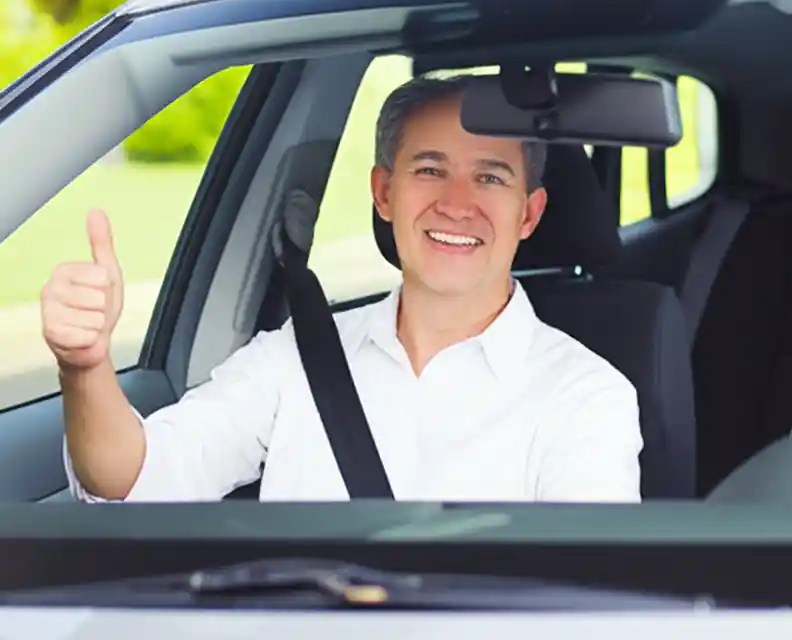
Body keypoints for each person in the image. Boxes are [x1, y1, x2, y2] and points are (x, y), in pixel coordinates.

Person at [46, 75, 643, 502]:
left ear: (529, 214)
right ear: (384, 192)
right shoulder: (296, 357)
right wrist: (85, 366)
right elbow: (134, 479)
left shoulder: (585, 398)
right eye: (430, 169)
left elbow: (584, 606)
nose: (457, 204)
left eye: (489, 176)